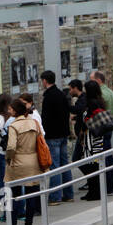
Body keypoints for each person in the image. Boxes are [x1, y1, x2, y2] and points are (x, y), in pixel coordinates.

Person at [4, 97, 43, 225]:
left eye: (10, 109)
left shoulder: (13, 126)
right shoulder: (33, 123)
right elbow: (40, 140)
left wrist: (8, 159)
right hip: (33, 161)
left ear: (15, 111)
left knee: (13, 195)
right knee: (31, 195)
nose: (9, 111)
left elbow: (11, 147)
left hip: (17, 162)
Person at [39, 70, 74, 202]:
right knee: (65, 164)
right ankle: (69, 194)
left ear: (45, 81)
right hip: (63, 133)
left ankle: (55, 196)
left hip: (52, 135)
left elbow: (46, 118)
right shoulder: (61, 94)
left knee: (55, 166)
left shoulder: (48, 97)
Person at [78, 81, 112, 200]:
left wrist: (82, 133)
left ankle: (94, 192)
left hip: (91, 138)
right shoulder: (100, 101)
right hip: (98, 137)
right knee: (95, 165)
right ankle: (94, 191)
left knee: (92, 165)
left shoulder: (91, 103)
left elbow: (86, 120)